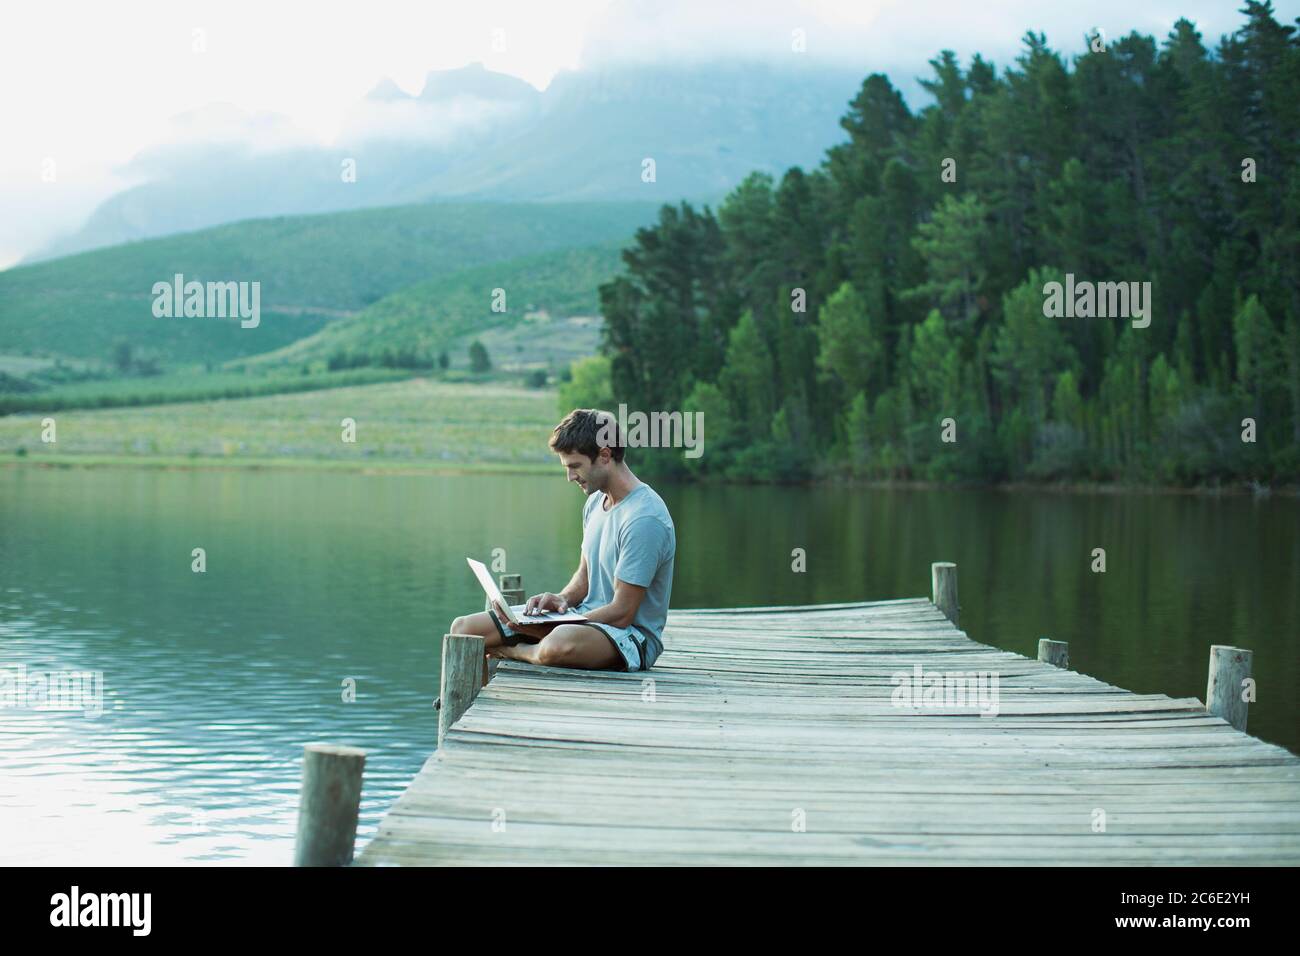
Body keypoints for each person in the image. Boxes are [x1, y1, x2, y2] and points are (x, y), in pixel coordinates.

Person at [448, 408, 676, 679]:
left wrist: (550, 628)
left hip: (628, 639)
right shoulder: (595, 502)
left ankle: (516, 653)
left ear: (604, 455)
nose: (570, 477)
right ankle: (481, 702)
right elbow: (584, 576)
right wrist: (561, 600)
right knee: (464, 629)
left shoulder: (644, 518)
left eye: (574, 466)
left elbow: (621, 613)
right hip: (582, 620)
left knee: (559, 643)